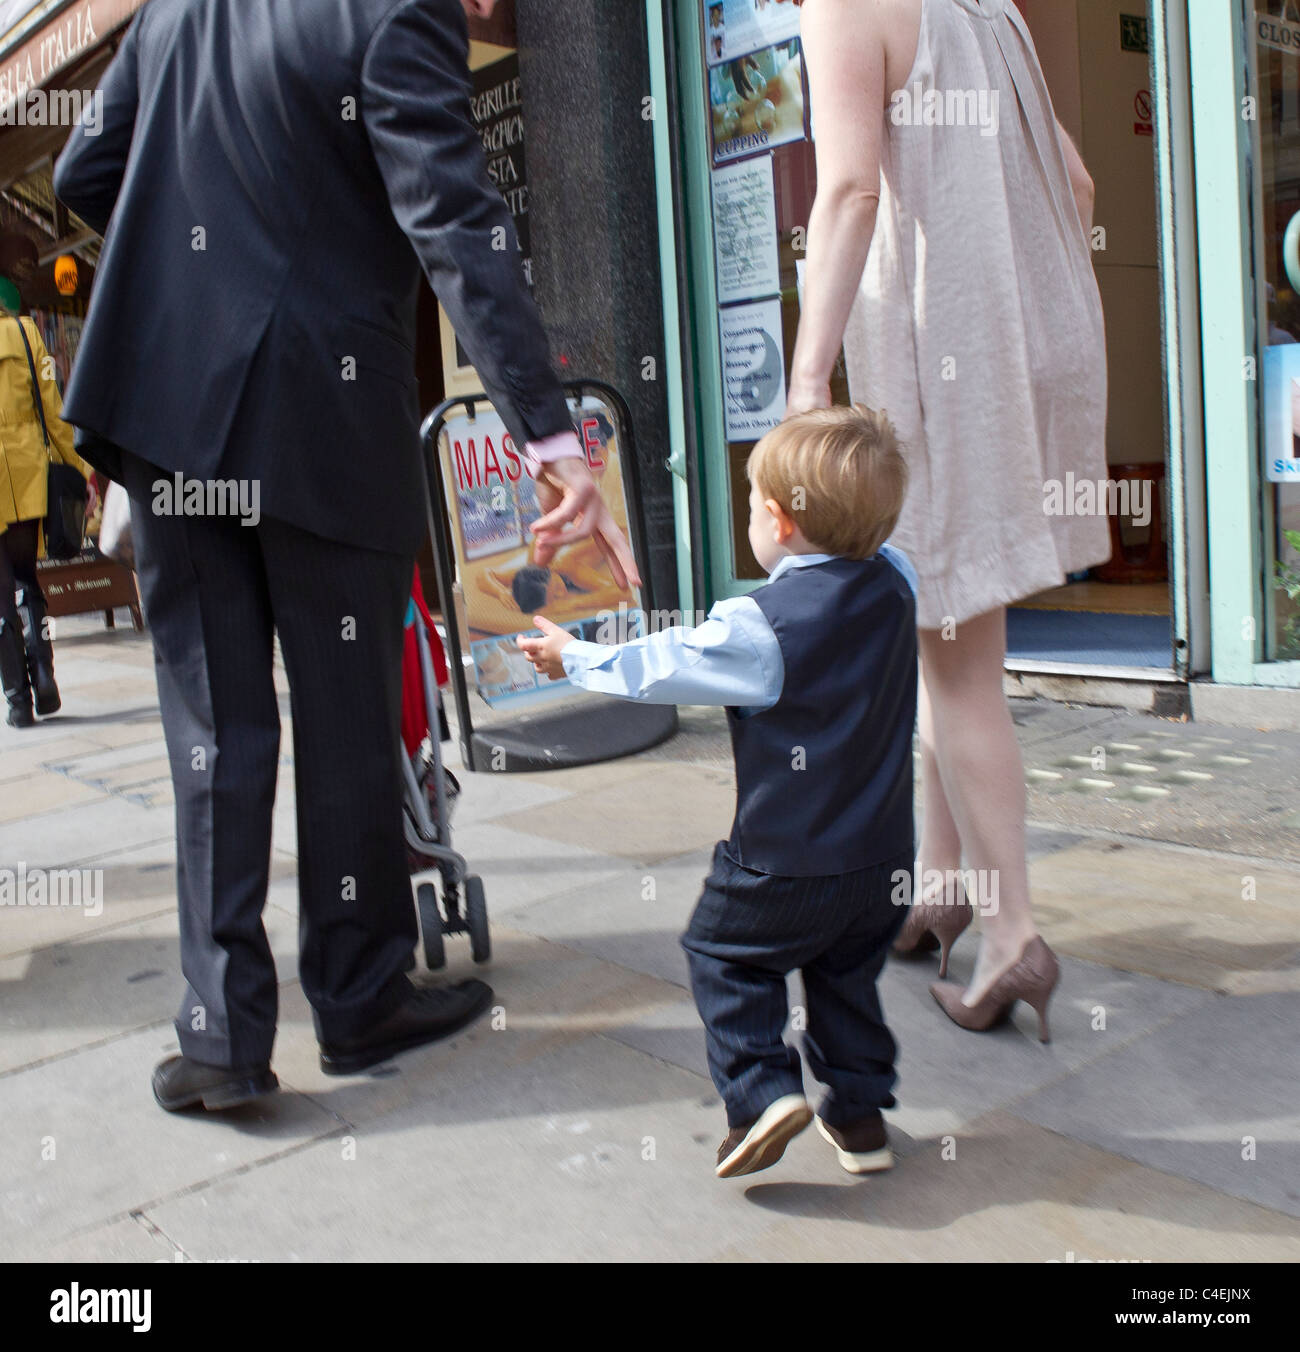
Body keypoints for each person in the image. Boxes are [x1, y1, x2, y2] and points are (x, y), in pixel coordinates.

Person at [52, 0, 639, 1114]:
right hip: (321, 400)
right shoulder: (390, 11)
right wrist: (549, 433)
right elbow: (452, 219)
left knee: (213, 729)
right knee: (347, 721)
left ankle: (222, 1034)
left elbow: (91, 167)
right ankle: (358, 996)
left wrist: (206, 261)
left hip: (170, 408)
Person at [785, 0, 1106, 1036]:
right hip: (1032, 345)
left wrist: (802, 384)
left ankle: (1012, 934)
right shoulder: (992, 11)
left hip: (943, 362)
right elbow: (1078, 183)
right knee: (937, 624)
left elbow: (846, 191)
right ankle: (939, 883)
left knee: (958, 662)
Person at [519, 405, 918, 1178]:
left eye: (751, 507)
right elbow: (876, 537)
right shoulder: (897, 581)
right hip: (882, 864)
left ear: (780, 521)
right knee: (845, 979)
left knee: (724, 955)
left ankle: (762, 1091)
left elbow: (663, 662)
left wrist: (574, 656)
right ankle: (861, 1120)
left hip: (782, 861)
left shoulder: (760, 624)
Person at [0, 303, 92, 729]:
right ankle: (45, 674)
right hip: (28, 475)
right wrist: (80, 469)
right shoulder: (26, 334)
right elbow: (54, 409)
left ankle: (17, 700)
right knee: (28, 581)